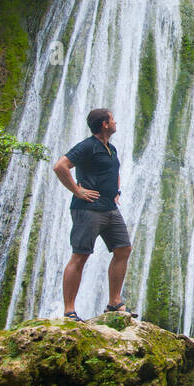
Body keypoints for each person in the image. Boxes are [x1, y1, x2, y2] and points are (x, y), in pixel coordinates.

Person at [52, 107, 139, 321]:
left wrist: (116, 191)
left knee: (123, 249)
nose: (116, 121)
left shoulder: (111, 149)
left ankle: (114, 302)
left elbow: (113, 171)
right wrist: (77, 190)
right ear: (104, 124)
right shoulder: (87, 146)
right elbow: (60, 166)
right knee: (80, 255)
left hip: (110, 208)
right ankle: (69, 310)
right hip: (88, 210)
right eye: (113, 119)